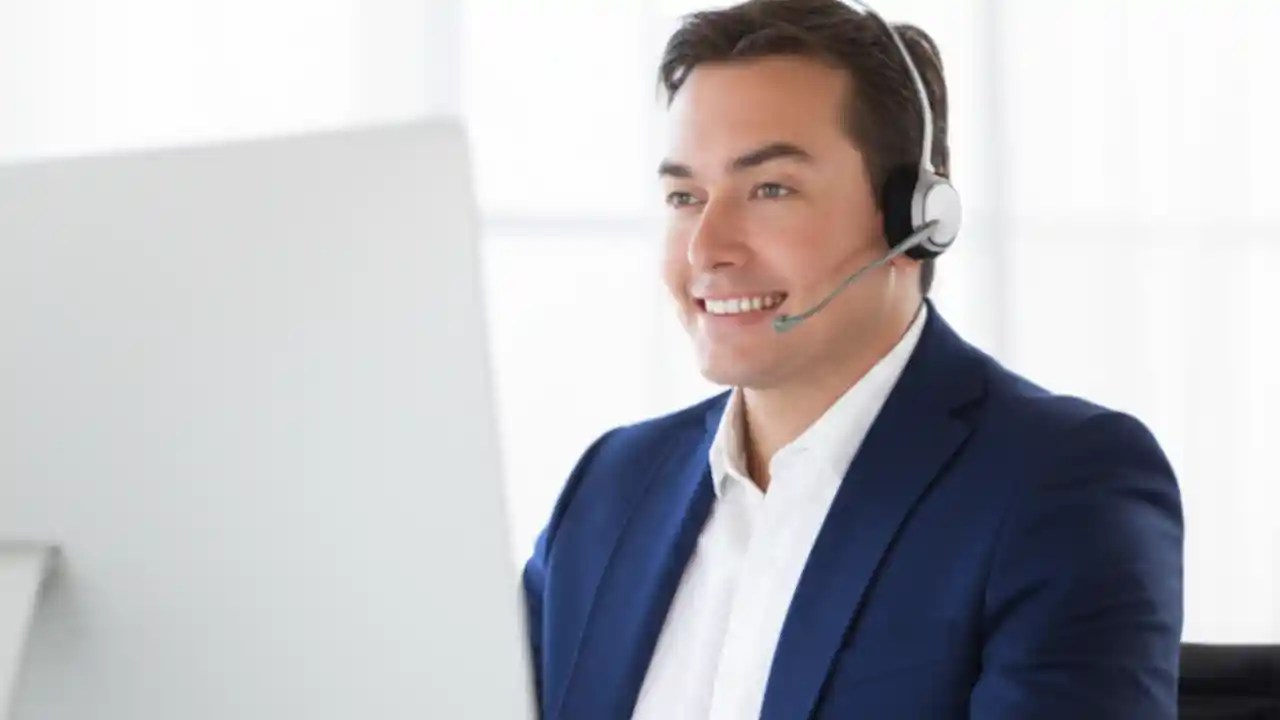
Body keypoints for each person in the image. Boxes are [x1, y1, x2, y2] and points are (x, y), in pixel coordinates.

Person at [522, 1, 1183, 717]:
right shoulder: (611, 489)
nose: (706, 248)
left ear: (915, 219)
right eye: (685, 196)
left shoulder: (1058, 487)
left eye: (770, 189)